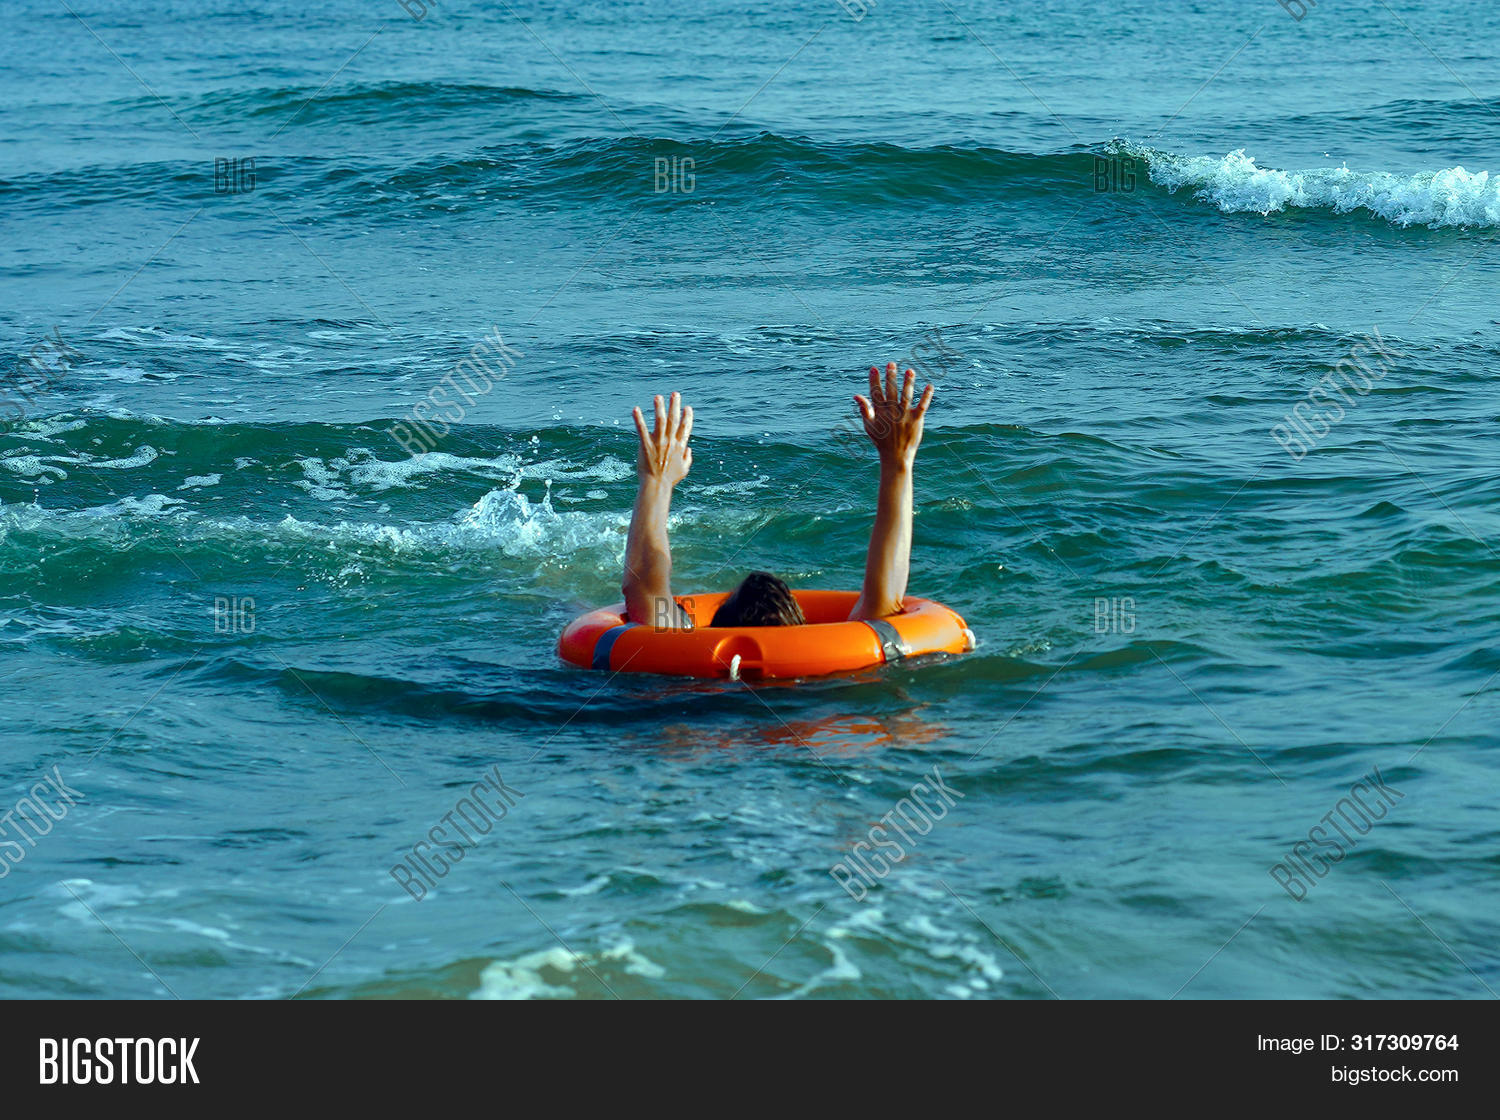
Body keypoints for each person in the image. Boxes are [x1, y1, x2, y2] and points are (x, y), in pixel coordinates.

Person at [621, 362, 934, 629]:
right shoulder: (833, 665)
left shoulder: (689, 658)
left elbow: (643, 589)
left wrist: (656, 481)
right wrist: (898, 462)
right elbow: (884, 601)